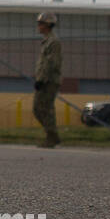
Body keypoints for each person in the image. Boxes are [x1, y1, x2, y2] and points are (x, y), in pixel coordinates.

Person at [33, 12, 62, 148]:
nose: (38, 26)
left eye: (41, 24)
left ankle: (52, 136)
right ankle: (52, 134)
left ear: (48, 25)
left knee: (44, 108)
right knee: (39, 108)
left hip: (49, 80)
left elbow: (52, 63)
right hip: (44, 79)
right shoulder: (46, 41)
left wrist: (42, 79)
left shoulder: (53, 42)